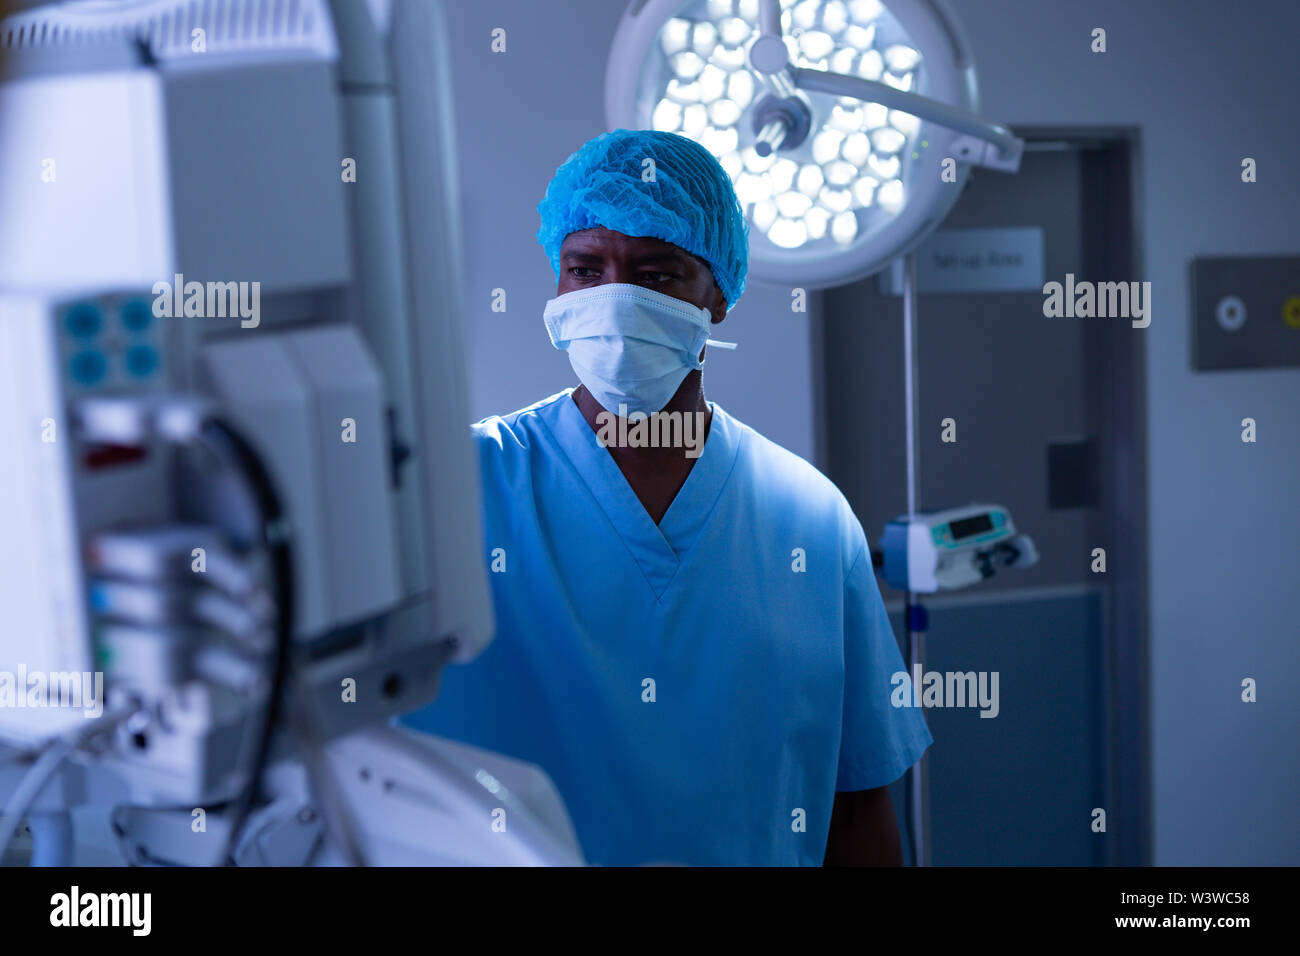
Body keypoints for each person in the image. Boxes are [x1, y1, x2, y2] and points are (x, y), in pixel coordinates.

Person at [402, 128, 931, 866]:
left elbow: (859, 806)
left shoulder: (811, 519)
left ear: (716, 296)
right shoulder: (455, 487)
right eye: (587, 269)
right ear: (557, 283)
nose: (615, 299)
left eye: (656, 274)